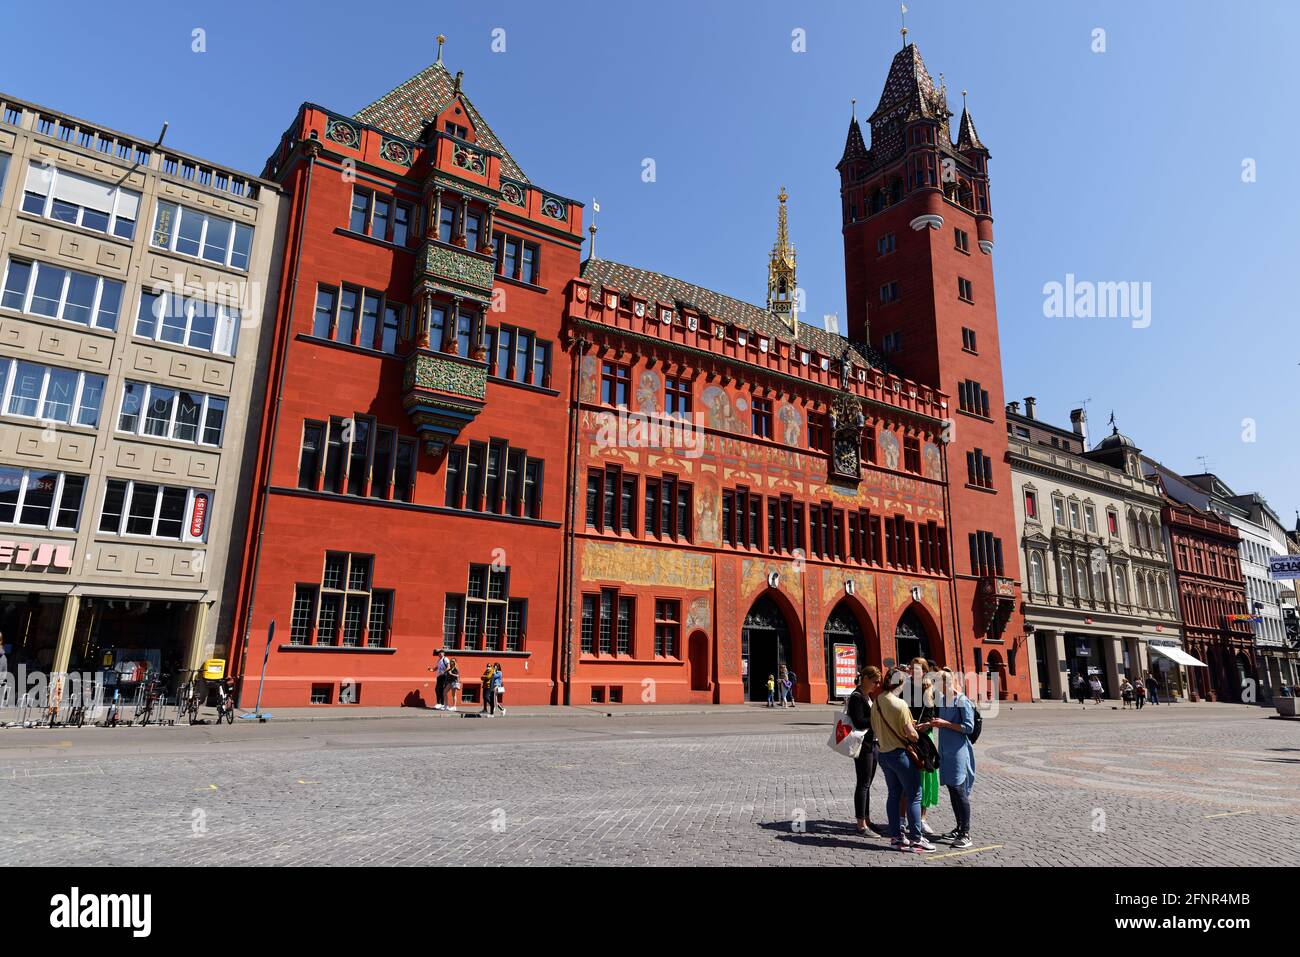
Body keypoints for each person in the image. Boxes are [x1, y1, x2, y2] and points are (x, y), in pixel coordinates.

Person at [871, 668, 936, 853]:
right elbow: (912, 735)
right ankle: (916, 838)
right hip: (900, 754)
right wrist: (913, 730)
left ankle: (896, 837)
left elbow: (875, 727)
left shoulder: (877, 701)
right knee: (915, 794)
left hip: (883, 753)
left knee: (893, 794)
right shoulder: (900, 705)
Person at [919, 669, 976, 849]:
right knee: (952, 789)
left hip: (959, 752)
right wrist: (928, 724)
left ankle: (965, 833)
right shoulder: (943, 700)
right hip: (946, 751)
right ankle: (959, 827)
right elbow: (941, 721)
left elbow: (969, 727)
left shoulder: (962, 700)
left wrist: (946, 724)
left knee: (959, 790)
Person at [847, 666, 883, 838]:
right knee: (863, 784)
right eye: (875, 681)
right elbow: (859, 722)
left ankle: (867, 819)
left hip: (872, 744)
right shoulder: (856, 697)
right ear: (866, 678)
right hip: (863, 747)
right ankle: (861, 824)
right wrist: (877, 717)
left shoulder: (867, 696)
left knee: (867, 784)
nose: (877, 685)